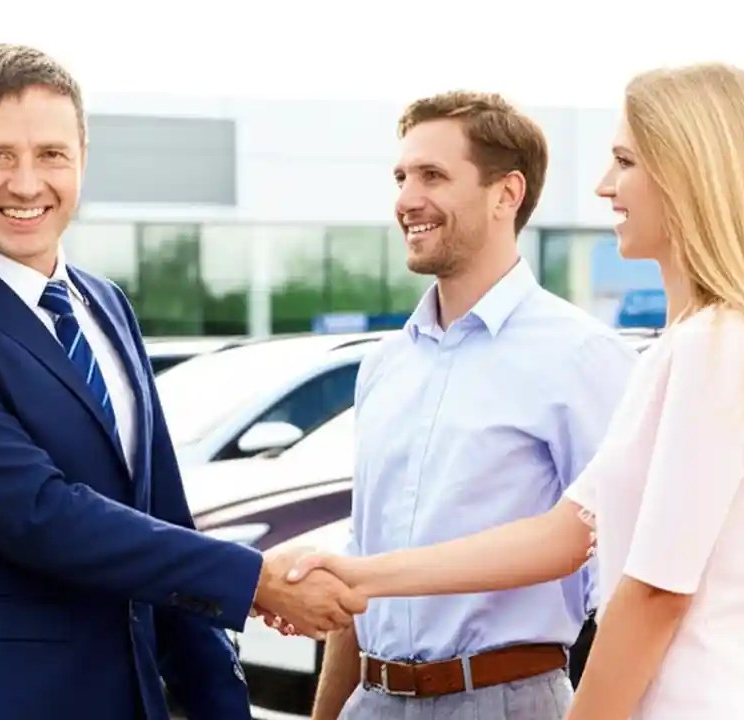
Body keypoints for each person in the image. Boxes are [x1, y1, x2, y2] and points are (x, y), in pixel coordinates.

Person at [285, 63, 744, 720]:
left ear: (690, 171)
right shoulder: (691, 346)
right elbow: (564, 534)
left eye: (625, 161)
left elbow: (656, 593)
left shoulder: (713, 347)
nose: (605, 186)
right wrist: (361, 577)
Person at [0, 43, 365, 720]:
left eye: (52, 155)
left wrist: (219, 703)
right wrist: (256, 581)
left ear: (83, 157)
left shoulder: (104, 304)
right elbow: (40, 515)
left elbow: (160, 515)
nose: (27, 183)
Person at [282, 91, 639, 719]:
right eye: (401, 177)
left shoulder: (583, 357)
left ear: (507, 194)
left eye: (432, 176)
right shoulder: (384, 366)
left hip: (504, 703)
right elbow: (361, 560)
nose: (406, 199)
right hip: (371, 702)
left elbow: (626, 576)